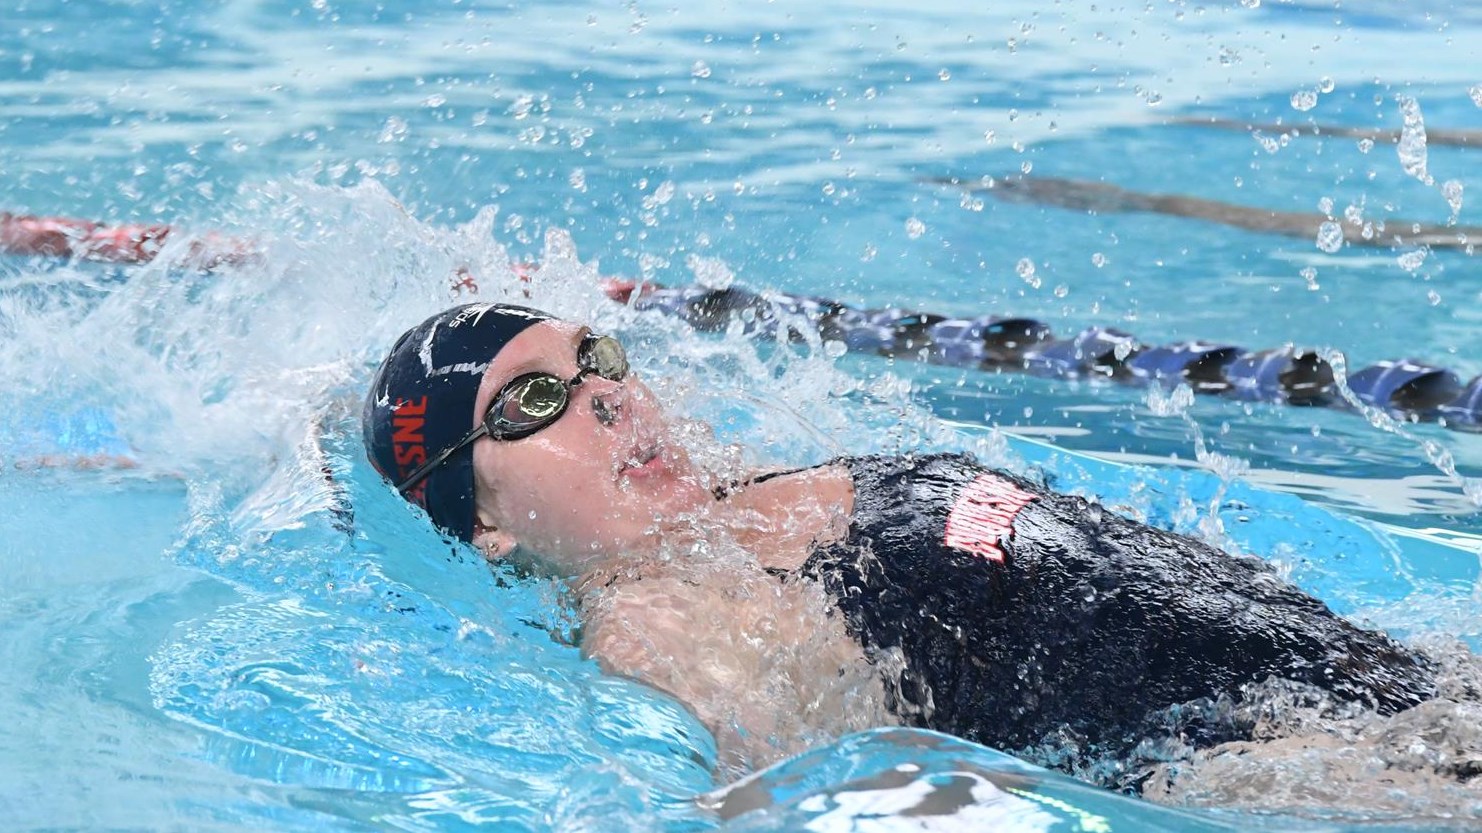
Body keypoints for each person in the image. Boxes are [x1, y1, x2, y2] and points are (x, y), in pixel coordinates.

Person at [361, 301, 1450, 787]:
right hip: (1292, 759)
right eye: (535, 399)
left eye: (595, 355)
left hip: (1364, 666)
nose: (602, 394)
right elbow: (783, 796)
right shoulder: (660, 620)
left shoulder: (745, 491)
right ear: (485, 523)